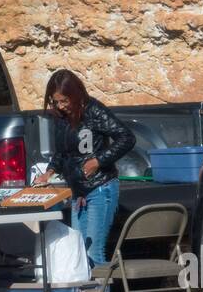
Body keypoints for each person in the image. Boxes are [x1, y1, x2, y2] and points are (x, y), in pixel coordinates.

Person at [33, 70, 135, 268]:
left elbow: (126, 137)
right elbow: (62, 152)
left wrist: (98, 160)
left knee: (93, 251)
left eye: (64, 101)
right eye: (56, 102)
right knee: (79, 251)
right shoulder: (62, 117)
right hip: (78, 192)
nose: (61, 106)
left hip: (100, 187)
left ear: (75, 95)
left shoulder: (94, 111)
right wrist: (50, 172)